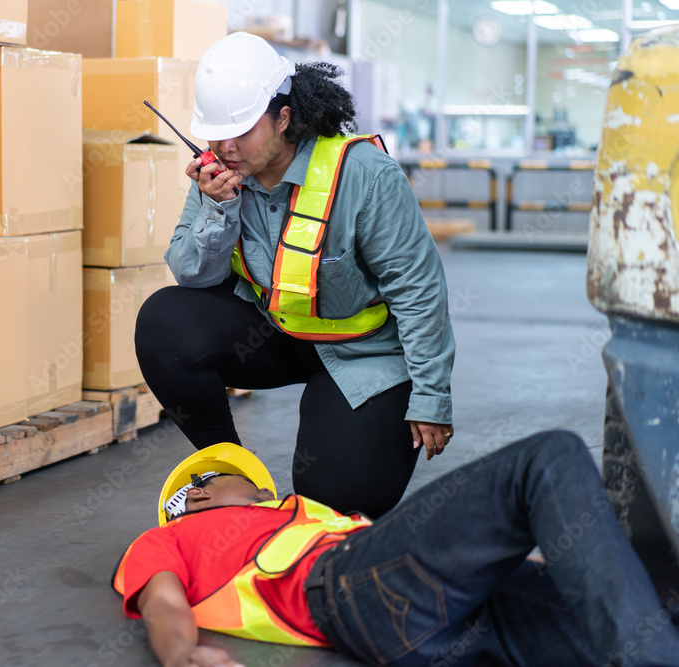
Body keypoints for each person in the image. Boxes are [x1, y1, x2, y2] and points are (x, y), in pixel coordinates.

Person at [135, 31, 455, 519]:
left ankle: (345, 439)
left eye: (241, 131)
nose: (225, 147)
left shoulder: (365, 176)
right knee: (164, 323)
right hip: (277, 333)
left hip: (363, 353)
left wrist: (432, 397)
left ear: (283, 118)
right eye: (216, 133)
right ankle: (231, 472)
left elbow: (419, 292)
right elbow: (192, 277)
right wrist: (219, 210)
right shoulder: (219, 177)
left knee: (330, 505)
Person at [112, 432, 679, 667]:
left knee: (649, 614)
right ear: (199, 496)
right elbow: (162, 601)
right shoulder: (167, 537)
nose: (261, 484)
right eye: (236, 478)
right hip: (350, 588)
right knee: (548, 459)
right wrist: (182, 655)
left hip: (430, 620)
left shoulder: (300, 514)